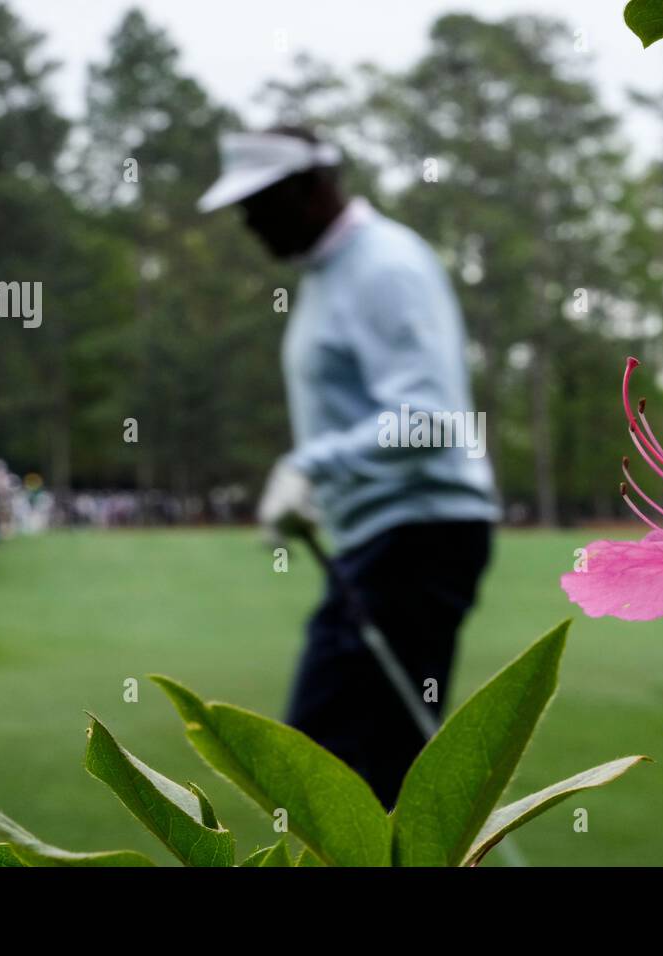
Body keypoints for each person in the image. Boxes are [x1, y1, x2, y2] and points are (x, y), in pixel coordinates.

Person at [198, 127, 500, 808]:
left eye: (258, 203)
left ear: (310, 188)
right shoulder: (329, 275)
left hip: (418, 536)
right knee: (344, 772)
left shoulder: (383, 266)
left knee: (339, 775)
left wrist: (312, 465)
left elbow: (429, 417)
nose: (247, 223)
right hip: (385, 540)